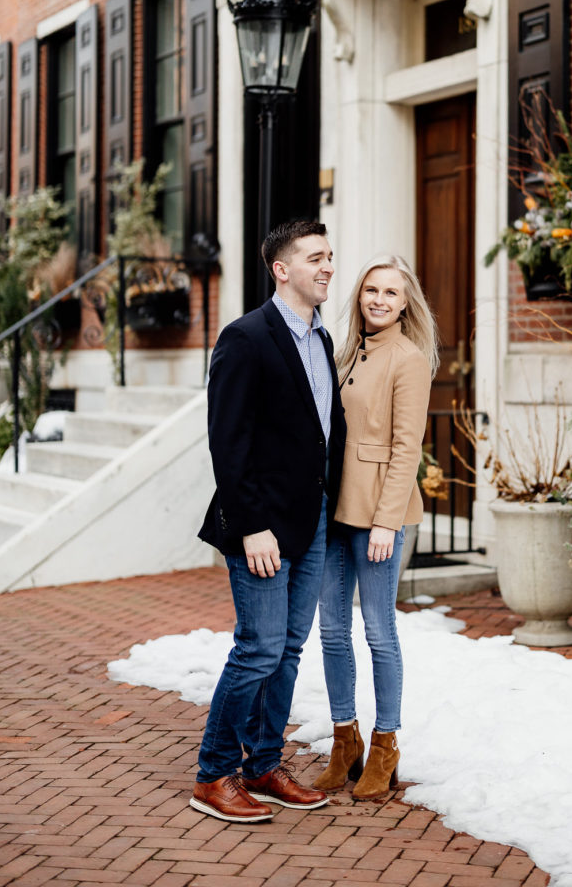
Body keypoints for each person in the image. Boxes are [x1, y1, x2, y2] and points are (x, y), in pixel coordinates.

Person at [191, 220, 346, 824]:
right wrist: (252, 524)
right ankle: (213, 774)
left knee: (286, 650)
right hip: (262, 528)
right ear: (282, 270)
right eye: (315, 258)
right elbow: (227, 445)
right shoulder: (244, 338)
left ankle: (262, 763)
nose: (328, 266)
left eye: (330, 256)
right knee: (256, 649)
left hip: (311, 525)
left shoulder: (322, 339)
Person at [313, 254, 439, 799]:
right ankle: (346, 740)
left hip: (376, 515)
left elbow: (407, 446)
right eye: (371, 291)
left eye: (390, 293)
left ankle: (385, 744)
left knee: (378, 631)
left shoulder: (408, 359)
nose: (379, 300)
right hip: (332, 508)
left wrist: (388, 521)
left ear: (405, 303)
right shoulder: (346, 352)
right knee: (332, 630)